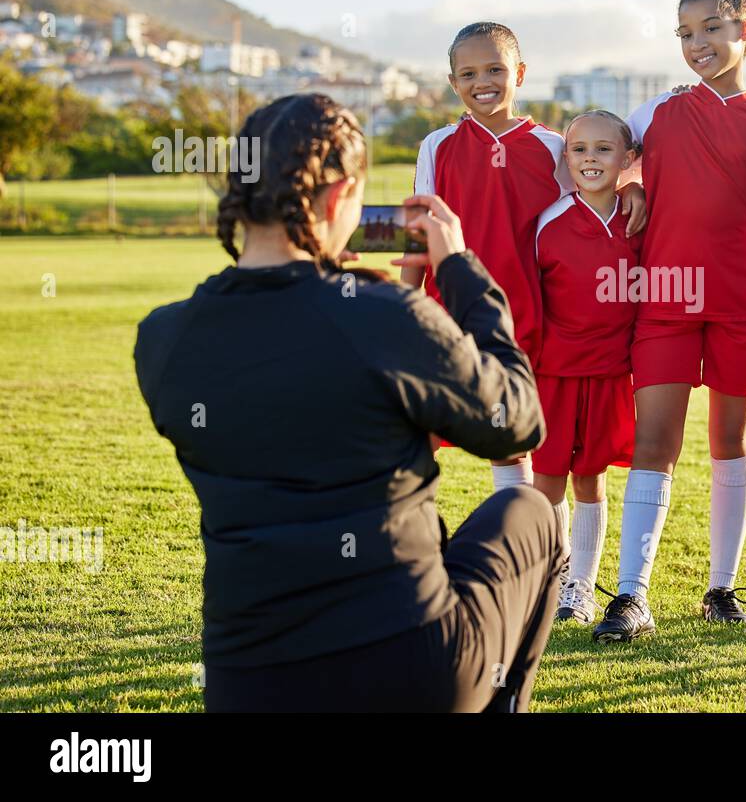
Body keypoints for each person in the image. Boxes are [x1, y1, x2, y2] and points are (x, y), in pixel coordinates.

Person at [134, 93, 563, 711]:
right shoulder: (385, 317)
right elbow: (516, 421)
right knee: (529, 512)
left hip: (248, 679)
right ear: (339, 201)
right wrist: (462, 271)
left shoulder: (163, 338)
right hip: (411, 664)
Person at [593, 0, 746, 643]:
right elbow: (596, 163)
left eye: (711, 28)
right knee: (655, 441)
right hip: (667, 298)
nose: (698, 43)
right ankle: (630, 596)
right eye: (685, 33)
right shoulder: (655, 114)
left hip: (742, 299)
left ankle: (720, 588)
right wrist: (633, 185)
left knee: (731, 440)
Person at [400, 21, 648, 505]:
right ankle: (410, 548)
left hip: (527, 319)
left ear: (520, 73)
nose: (482, 82)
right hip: (447, 312)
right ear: (453, 84)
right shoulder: (437, 145)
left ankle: (521, 553)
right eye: (468, 73)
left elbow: (594, 193)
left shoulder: (553, 146)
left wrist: (631, 186)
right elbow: (418, 232)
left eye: (495, 68)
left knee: (511, 443)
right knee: (421, 429)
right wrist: (406, 305)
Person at [533, 111, 643, 624]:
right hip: (554, 370)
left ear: (626, 159)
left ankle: (581, 587)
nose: (591, 159)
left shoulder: (641, 216)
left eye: (604, 149)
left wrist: (637, 192)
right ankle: (551, 580)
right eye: (579, 150)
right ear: (566, 157)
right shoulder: (548, 222)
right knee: (548, 476)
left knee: (591, 477)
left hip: (611, 372)